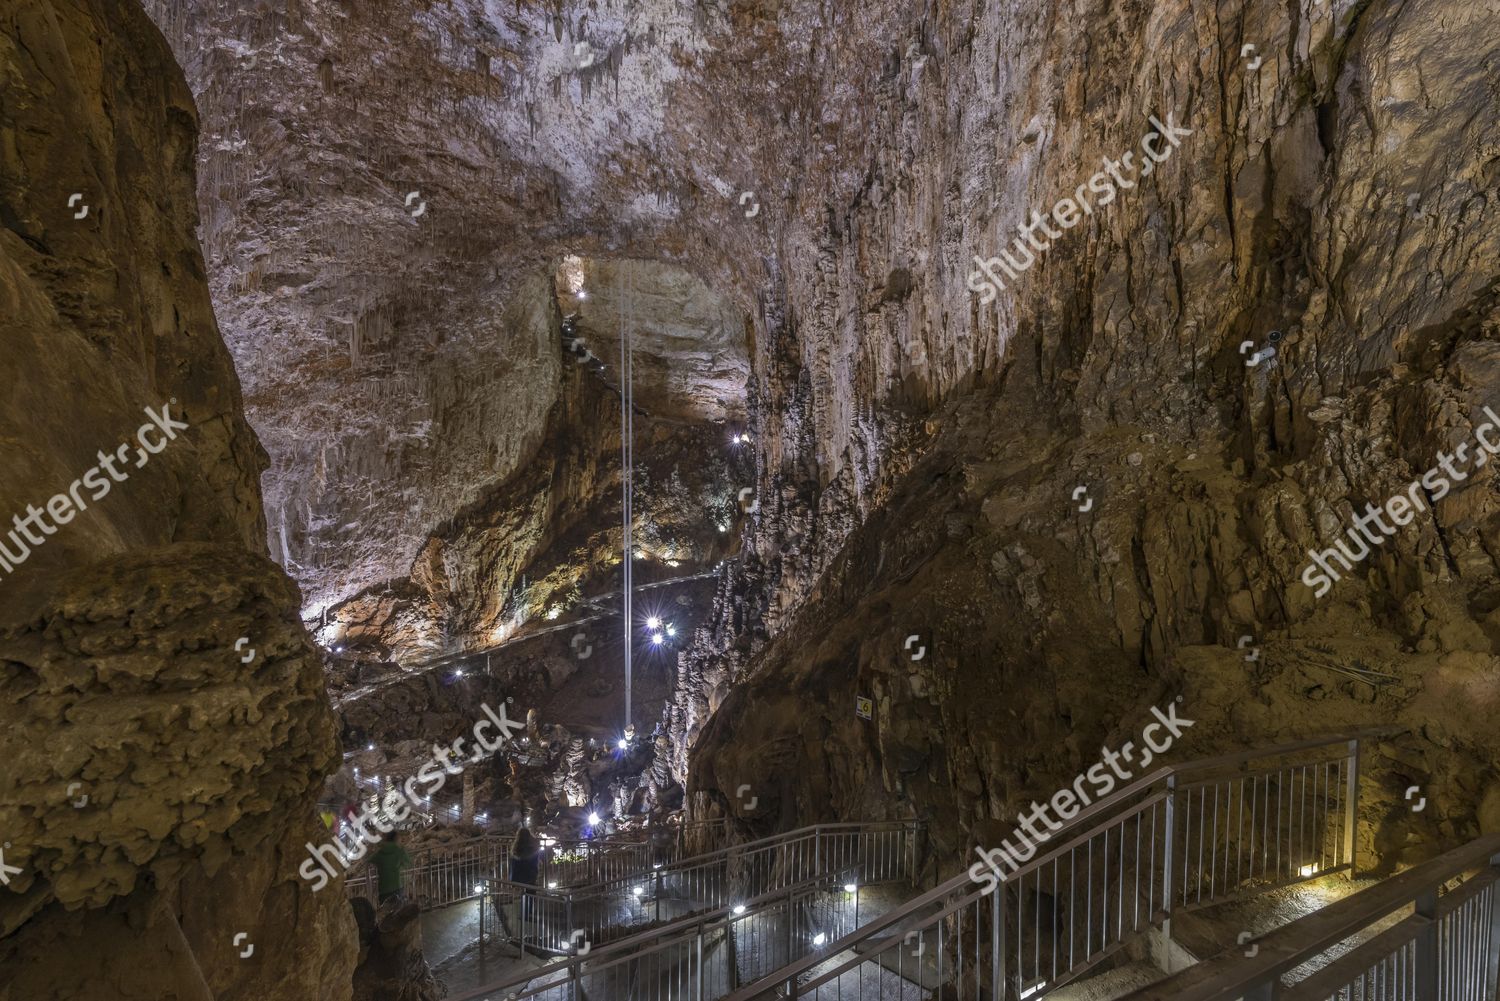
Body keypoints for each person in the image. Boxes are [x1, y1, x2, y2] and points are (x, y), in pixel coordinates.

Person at [370, 831, 412, 904]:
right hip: (397, 885)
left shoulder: (379, 852)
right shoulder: (399, 850)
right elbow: (408, 863)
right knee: (399, 910)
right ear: (396, 839)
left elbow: (370, 860)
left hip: (383, 888)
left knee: (385, 911)